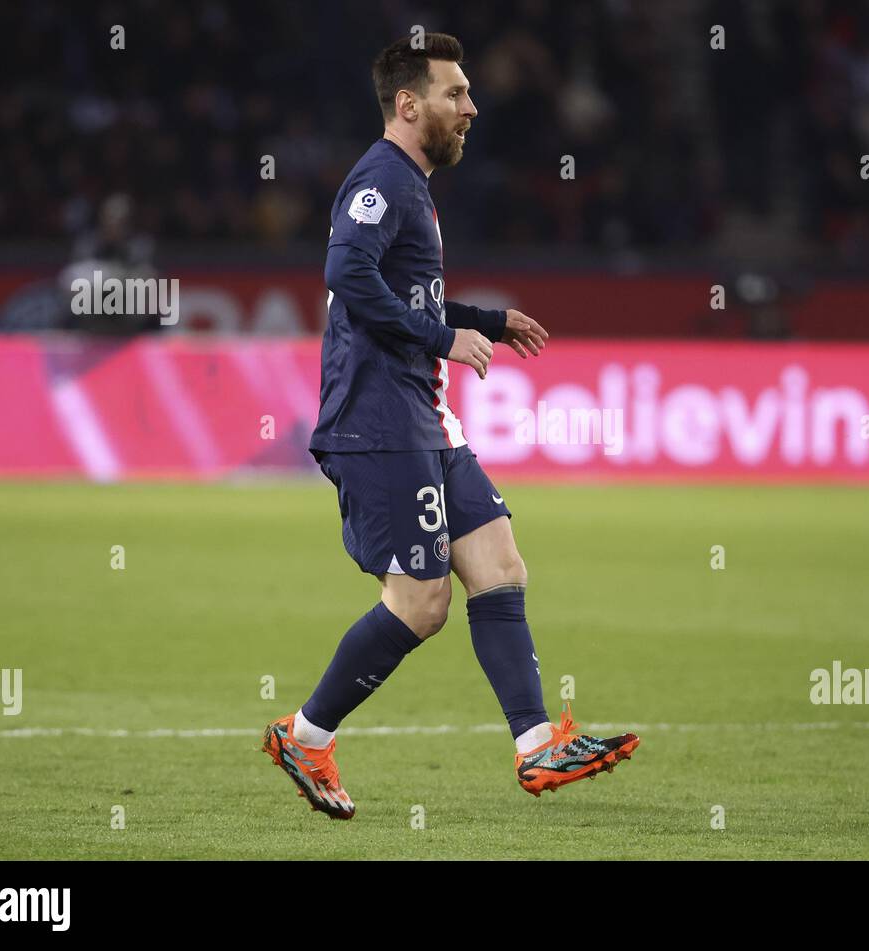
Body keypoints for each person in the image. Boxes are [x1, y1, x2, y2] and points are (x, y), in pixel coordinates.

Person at [261, 33, 640, 818]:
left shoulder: (411, 186)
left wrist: (483, 320)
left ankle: (537, 744)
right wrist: (444, 339)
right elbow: (346, 276)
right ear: (409, 105)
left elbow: (412, 299)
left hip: (423, 417)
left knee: (499, 561)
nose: (471, 108)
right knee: (421, 603)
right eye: (455, 94)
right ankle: (306, 733)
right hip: (378, 422)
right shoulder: (380, 179)